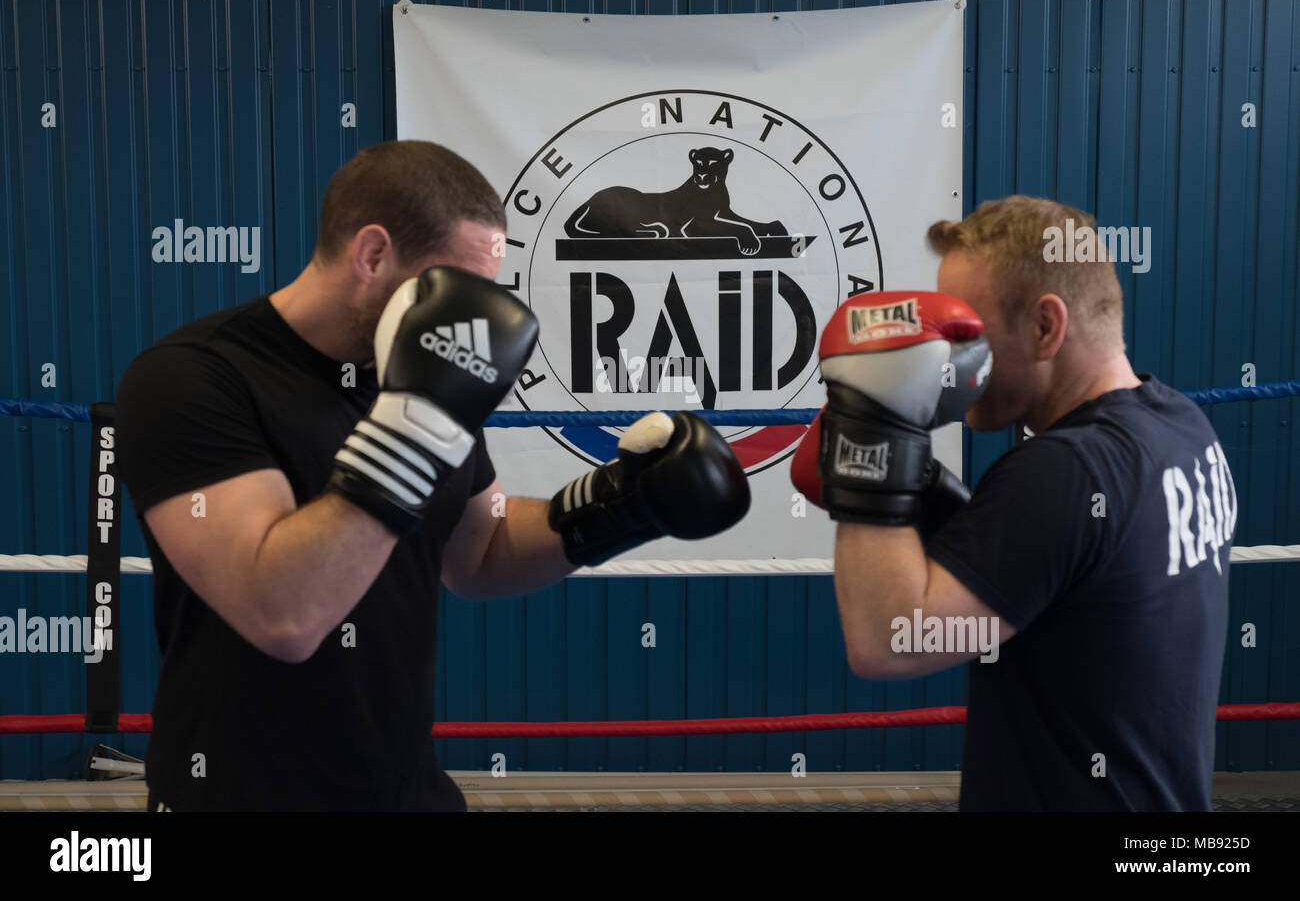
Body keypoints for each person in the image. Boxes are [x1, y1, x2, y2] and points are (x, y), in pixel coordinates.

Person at [115, 140, 750, 810]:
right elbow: (282, 614)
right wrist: (415, 425)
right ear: (372, 254)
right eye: (455, 283)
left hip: (405, 789)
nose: (473, 308)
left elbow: (482, 550)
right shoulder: (193, 378)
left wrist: (621, 504)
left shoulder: (421, 370)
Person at [792, 195, 1236, 810]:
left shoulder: (1063, 471)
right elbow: (1063, 576)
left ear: (1045, 327)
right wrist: (919, 492)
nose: (949, 354)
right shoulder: (1183, 426)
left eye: (967, 329)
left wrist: (869, 433)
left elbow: (889, 642)